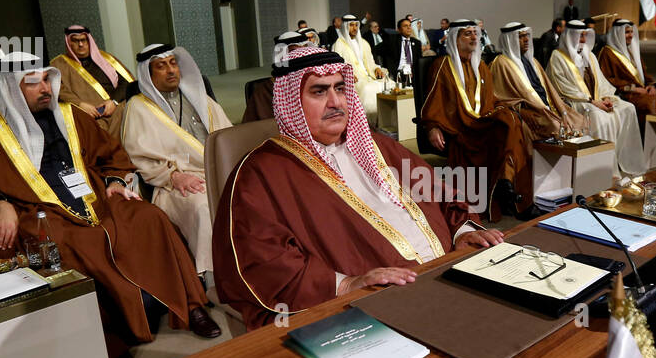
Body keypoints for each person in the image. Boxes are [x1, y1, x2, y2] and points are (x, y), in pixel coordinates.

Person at [0, 60, 221, 358]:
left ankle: (191, 304)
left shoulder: (69, 114)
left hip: (95, 197)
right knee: (66, 243)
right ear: (13, 87)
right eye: (34, 83)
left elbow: (112, 155)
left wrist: (116, 181)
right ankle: (106, 335)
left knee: (149, 218)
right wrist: (1, 205)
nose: (45, 90)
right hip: (37, 209)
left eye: (46, 81)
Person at [214, 44, 502, 329]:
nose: (335, 102)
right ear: (291, 102)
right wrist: (346, 284)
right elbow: (266, 261)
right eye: (319, 91)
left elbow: (440, 192)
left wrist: (463, 231)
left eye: (340, 89)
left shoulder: (379, 146)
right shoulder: (261, 173)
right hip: (375, 306)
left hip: (449, 273)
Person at [119, 44, 233, 278]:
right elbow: (138, 157)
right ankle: (213, 278)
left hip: (221, 171)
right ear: (149, 75)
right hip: (175, 181)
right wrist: (173, 176)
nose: (171, 70)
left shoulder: (200, 98)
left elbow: (228, 136)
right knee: (202, 207)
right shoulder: (138, 108)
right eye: (161, 66)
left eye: (173, 63)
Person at [421, 20, 537, 220]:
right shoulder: (442, 66)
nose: (474, 37)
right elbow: (433, 101)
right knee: (509, 122)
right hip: (460, 128)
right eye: (467, 34)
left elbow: (490, 100)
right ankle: (510, 191)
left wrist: (506, 107)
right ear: (455, 39)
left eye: (476, 33)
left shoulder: (482, 66)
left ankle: (507, 184)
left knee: (511, 118)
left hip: (480, 124)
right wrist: (432, 127)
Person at [547, 20, 647, 175]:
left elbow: (601, 82)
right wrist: (593, 102)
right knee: (600, 117)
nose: (583, 40)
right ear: (570, 37)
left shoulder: (590, 56)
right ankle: (605, 171)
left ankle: (626, 163)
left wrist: (606, 98)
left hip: (596, 99)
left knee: (628, 108)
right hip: (575, 103)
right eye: (580, 37)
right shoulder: (557, 57)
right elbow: (564, 88)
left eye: (585, 36)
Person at [490, 22, 585, 139]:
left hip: (546, 108)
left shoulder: (533, 62)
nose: (526, 40)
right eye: (520, 36)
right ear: (509, 40)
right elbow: (502, 98)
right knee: (555, 127)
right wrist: (524, 110)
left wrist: (562, 110)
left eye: (527, 36)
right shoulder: (501, 63)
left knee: (579, 120)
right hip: (529, 111)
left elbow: (549, 90)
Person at [50, 24, 136, 137]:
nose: (80, 45)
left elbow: (127, 82)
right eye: (76, 41)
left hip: (117, 106)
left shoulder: (106, 58)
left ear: (89, 41)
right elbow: (58, 89)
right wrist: (81, 105)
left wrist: (114, 102)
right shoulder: (58, 64)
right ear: (68, 43)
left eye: (83, 40)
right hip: (90, 114)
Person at [598, 18, 656, 122]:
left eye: (631, 32)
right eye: (626, 32)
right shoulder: (607, 53)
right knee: (650, 106)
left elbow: (643, 73)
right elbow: (608, 80)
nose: (630, 35)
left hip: (643, 91)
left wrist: (651, 85)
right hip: (625, 94)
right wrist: (633, 89)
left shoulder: (631, 51)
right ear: (617, 34)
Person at [332, 13, 388, 119]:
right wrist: (347, 75)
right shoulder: (338, 45)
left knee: (388, 84)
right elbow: (337, 67)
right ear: (345, 26)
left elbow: (371, 62)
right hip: (354, 80)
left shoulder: (364, 43)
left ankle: (385, 122)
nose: (355, 28)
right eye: (351, 25)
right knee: (369, 89)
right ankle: (368, 124)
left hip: (370, 77)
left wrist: (376, 69)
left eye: (356, 25)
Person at [380, 17, 421, 84]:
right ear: (399, 30)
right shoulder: (391, 40)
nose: (409, 28)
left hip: (413, 74)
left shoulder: (416, 43)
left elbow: (419, 61)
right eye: (405, 26)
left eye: (410, 25)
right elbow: (375, 51)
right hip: (397, 73)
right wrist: (380, 68)